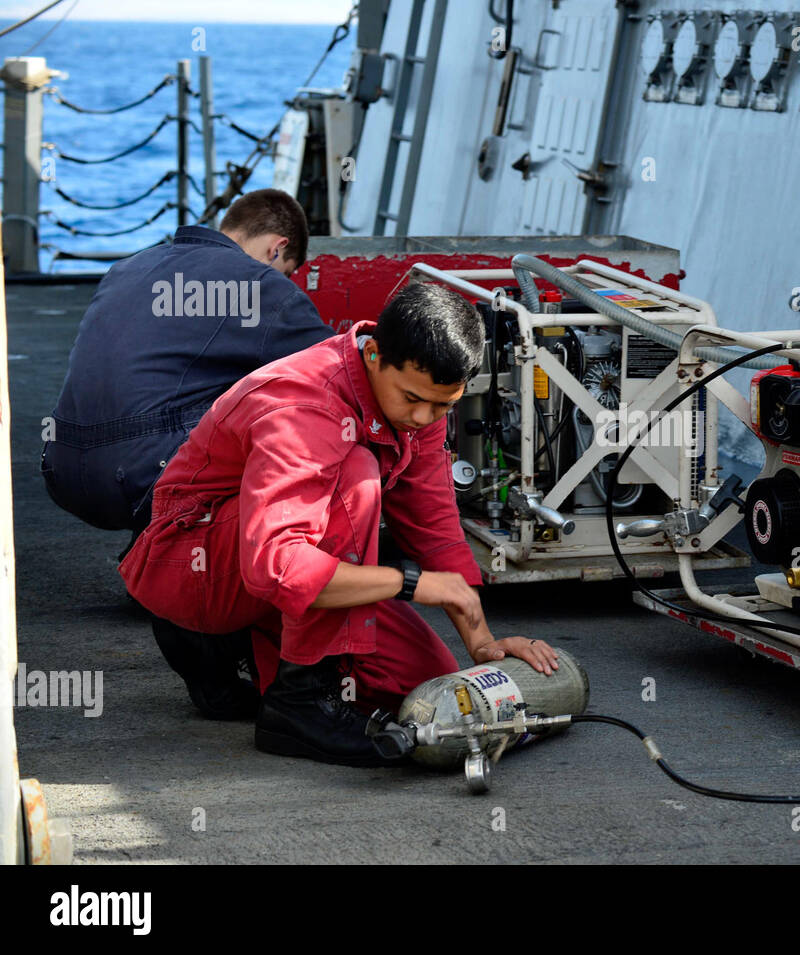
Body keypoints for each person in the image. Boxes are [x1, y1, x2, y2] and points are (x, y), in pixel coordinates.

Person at [118, 282, 560, 767]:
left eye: (442, 406)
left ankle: (238, 649)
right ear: (374, 354)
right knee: (357, 476)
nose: (423, 417)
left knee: (426, 686)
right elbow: (277, 566)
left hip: (277, 573)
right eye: (414, 399)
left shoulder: (418, 397)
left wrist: (482, 641)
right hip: (192, 569)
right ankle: (300, 702)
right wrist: (410, 583)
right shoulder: (304, 406)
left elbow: (433, 525)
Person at [42, 188, 331, 534]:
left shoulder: (128, 267)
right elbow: (339, 366)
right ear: (277, 248)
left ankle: (153, 555)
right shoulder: (261, 283)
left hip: (61, 469)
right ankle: (237, 563)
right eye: (286, 271)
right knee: (283, 407)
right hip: (140, 480)